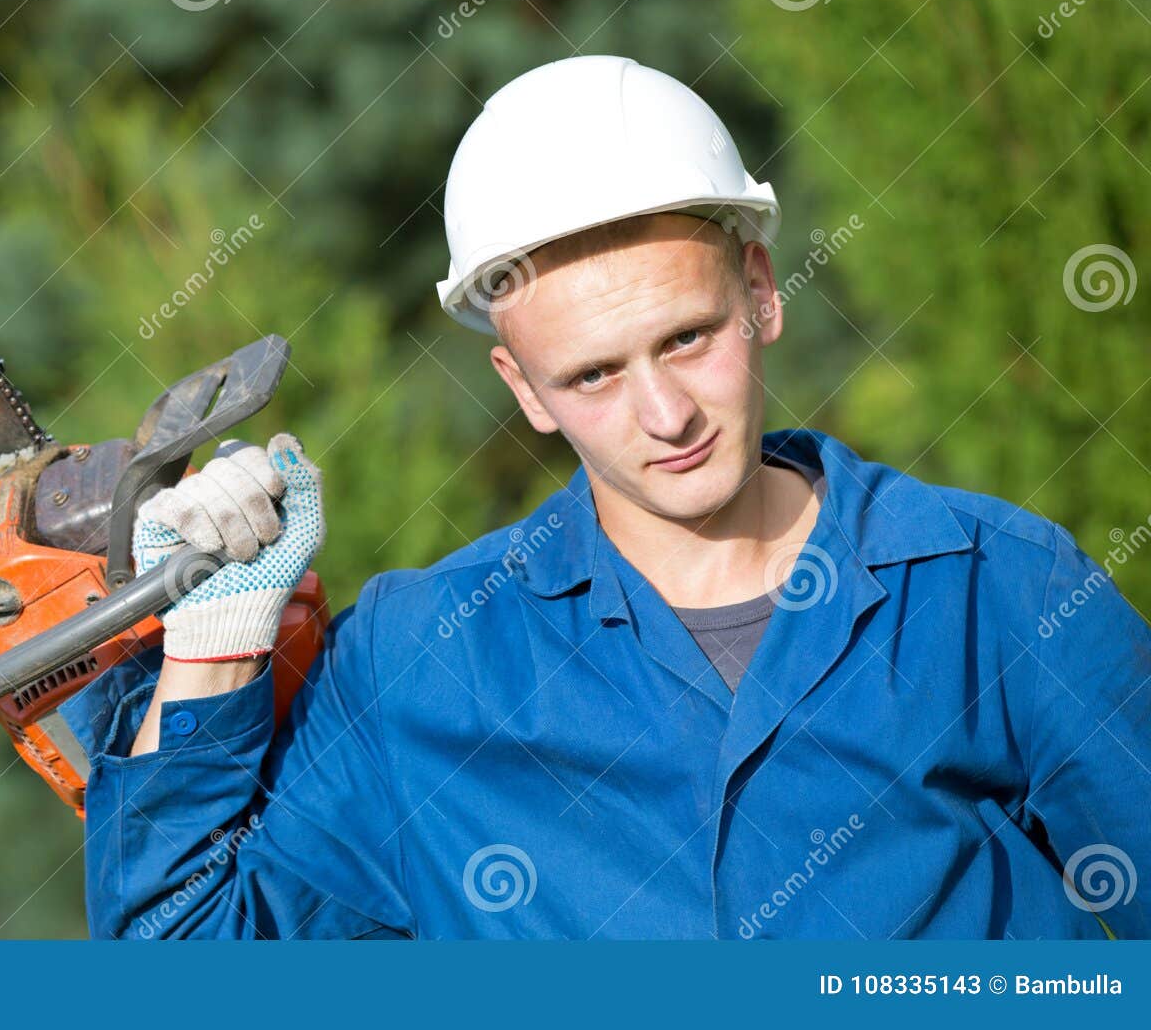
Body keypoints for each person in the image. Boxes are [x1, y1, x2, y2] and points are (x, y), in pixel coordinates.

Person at [57, 55, 1151, 939]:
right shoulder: (423, 662)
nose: (665, 414)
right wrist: (209, 649)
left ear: (759, 294)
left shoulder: (993, 588)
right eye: (592, 374)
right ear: (524, 387)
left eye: (687, 338)